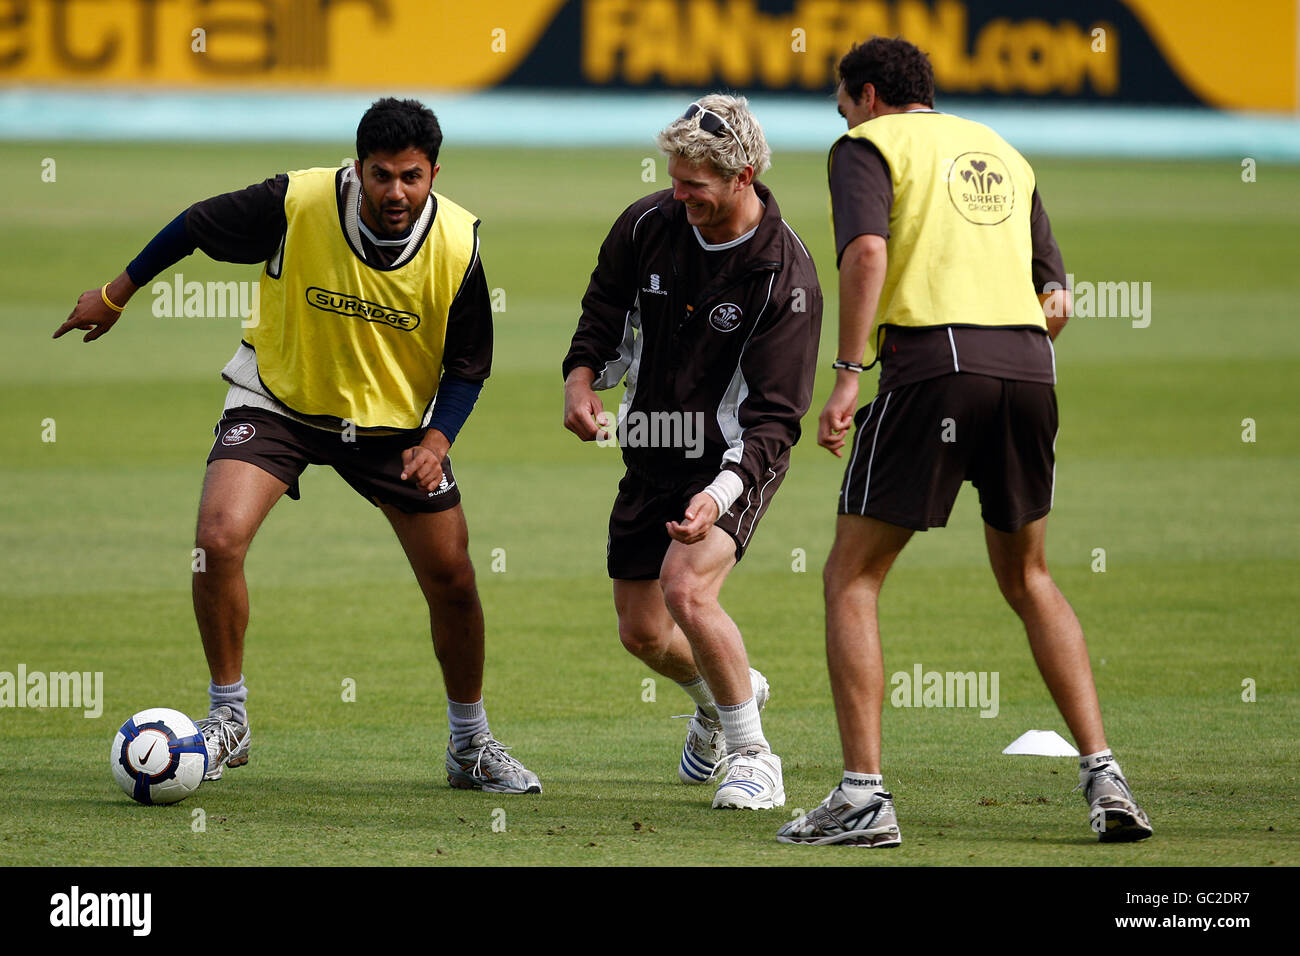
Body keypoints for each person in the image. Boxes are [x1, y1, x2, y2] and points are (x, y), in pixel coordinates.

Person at [54, 97, 541, 795]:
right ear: (358, 167)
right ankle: (229, 721)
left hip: (391, 427)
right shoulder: (297, 201)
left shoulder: (459, 244)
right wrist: (116, 291)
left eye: (411, 176)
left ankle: (470, 746)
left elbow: (468, 363)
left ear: (435, 171)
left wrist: (438, 438)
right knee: (218, 538)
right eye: (380, 175)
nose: (395, 191)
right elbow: (194, 225)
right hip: (280, 397)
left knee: (454, 579)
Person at [777, 38, 1151, 845]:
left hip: (935, 365)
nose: (841, 117)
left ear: (868, 94)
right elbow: (1057, 299)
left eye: (842, 102)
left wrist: (847, 374)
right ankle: (1105, 775)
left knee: (852, 575)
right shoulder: (1003, 153)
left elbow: (868, 250)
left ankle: (863, 799)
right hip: (1030, 369)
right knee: (1029, 576)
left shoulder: (865, 147)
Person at [563, 94, 822, 810]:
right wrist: (581, 380)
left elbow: (775, 421)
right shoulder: (649, 222)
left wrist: (720, 493)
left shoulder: (784, 276)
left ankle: (754, 758)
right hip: (649, 450)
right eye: (674, 179)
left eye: (694, 187)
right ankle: (727, 691)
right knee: (642, 632)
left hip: (732, 459)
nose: (679, 197)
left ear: (742, 177)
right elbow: (604, 307)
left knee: (686, 588)